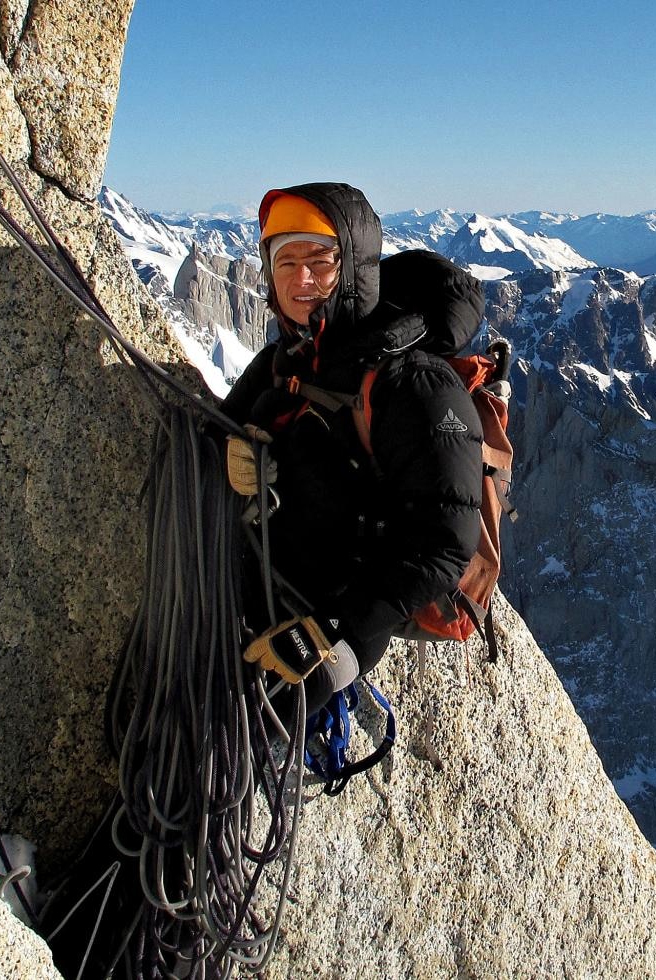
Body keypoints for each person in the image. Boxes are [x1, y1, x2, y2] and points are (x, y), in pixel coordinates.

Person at [221, 182, 485, 716]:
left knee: (243, 729)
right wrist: (235, 445)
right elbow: (220, 423)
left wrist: (326, 630)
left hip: (355, 610)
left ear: (354, 268)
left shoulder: (413, 383)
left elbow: (443, 545)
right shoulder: (285, 359)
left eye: (320, 261)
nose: (301, 279)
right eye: (284, 261)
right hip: (277, 573)